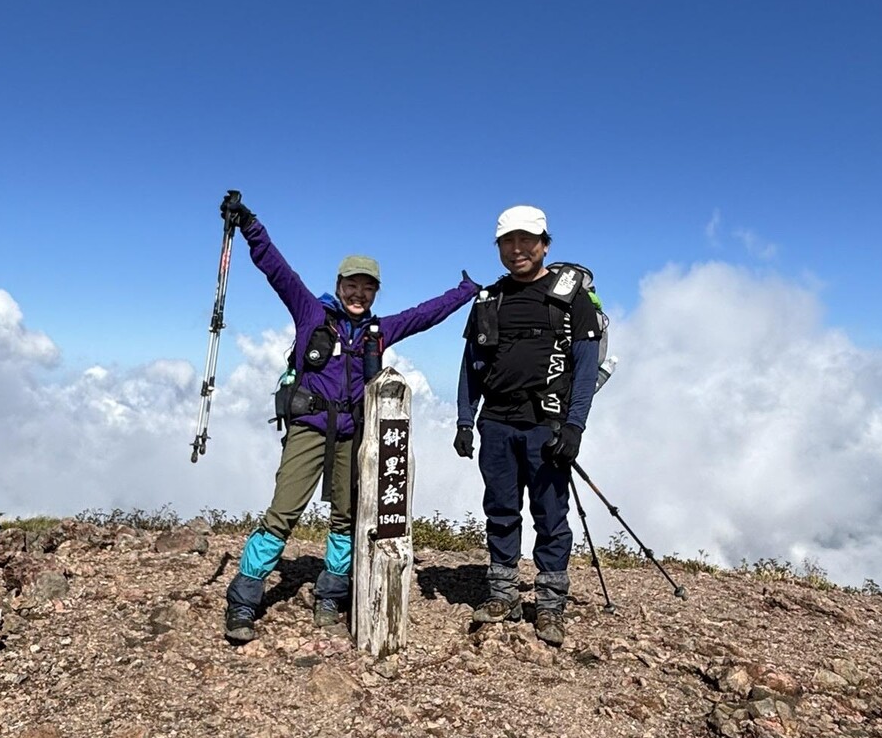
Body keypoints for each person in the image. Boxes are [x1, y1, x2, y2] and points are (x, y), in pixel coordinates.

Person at [222, 194, 478, 643]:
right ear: (339, 284)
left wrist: (464, 293)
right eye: (352, 286)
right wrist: (249, 225)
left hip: (352, 435)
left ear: (375, 292)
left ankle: (331, 594)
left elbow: (423, 316)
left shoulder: (379, 331)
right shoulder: (311, 313)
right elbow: (277, 270)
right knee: (284, 512)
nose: (359, 295)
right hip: (309, 428)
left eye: (368, 288)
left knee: (345, 518)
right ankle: (244, 598)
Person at [454, 205, 601, 647]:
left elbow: (586, 365)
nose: (517, 249)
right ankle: (503, 594)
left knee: (551, 516)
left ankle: (550, 605)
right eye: (507, 242)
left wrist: (574, 427)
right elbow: (470, 366)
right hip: (496, 421)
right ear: (499, 247)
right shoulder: (489, 299)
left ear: (544, 244)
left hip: (547, 424)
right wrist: (465, 419)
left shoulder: (571, 298)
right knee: (500, 509)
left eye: (526, 241)